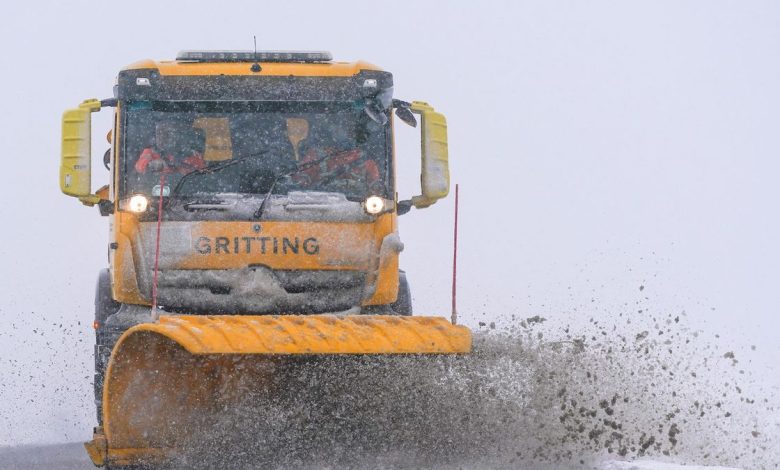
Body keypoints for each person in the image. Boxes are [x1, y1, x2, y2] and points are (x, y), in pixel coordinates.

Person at [294, 117, 379, 189]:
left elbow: (376, 191)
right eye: (341, 126)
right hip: (319, 201)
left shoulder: (366, 162)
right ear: (332, 131)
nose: (347, 132)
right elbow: (301, 180)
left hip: (355, 202)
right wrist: (301, 180)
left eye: (350, 128)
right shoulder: (317, 155)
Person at [135, 120, 206, 175]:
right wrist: (150, 165)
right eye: (159, 134)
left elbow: (199, 173)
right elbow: (140, 167)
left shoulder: (191, 154)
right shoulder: (150, 152)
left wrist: (176, 165)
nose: (161, 137)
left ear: (177, 136)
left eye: (167, 134)